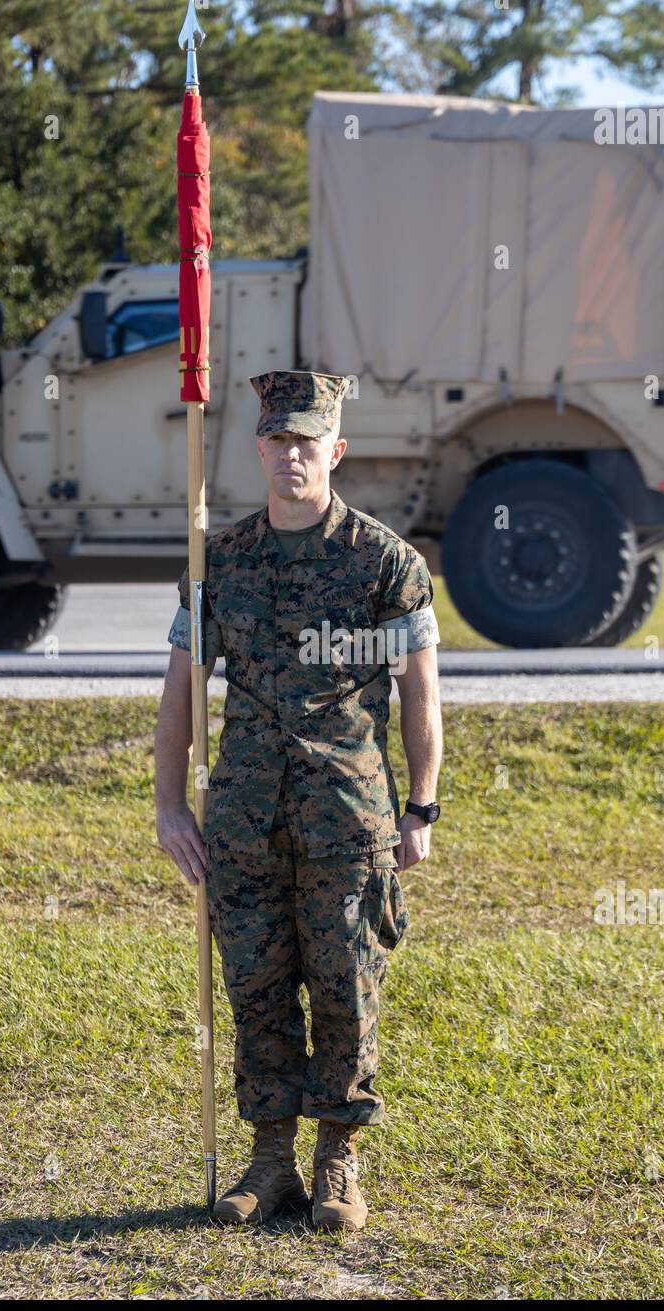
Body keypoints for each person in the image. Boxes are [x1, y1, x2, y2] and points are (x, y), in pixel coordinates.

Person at [154, 369, 443, 1232]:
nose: (290, 455)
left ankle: (337, 1161)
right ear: (257, 449)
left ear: (336, 452)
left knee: (347, 987)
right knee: (257, 987)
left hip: (347, 822)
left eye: (306, 442)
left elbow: (421, 693)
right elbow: (181, 692)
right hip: (242, 821)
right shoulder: (220, 563)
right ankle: (269, 1162)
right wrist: (170, 805)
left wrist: (422, 808)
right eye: (277, 440)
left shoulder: (384, 562)